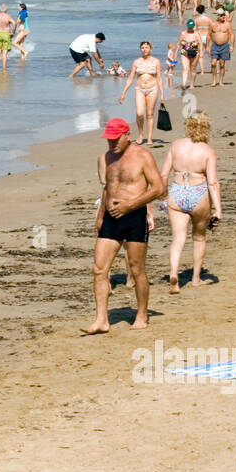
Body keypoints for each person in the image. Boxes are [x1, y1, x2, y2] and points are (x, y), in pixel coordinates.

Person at [82, 118, 165, 334]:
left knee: (137, 270)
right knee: (99, 269)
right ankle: (101, 320)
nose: (112, 143)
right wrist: (99, 216)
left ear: (127, 135)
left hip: (134, 216)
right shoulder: (107, 158)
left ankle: (141, 314)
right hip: (111, 218)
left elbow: (158, 188)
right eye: (109, 140)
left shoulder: (143, 156)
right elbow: (108, 188)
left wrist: (130, 206)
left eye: (116, 139)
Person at [160, 113, 221, 293]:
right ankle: (195, 278)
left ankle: (173, 274)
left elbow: (163, 174)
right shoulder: (208, 151)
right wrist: (218, 209)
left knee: (178, 238)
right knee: (199, 237)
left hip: (177, 191)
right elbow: (212, 183)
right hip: (198, 193)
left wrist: (164, 196)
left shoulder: (175, 146)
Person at [119, 40, 165, 146]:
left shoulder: (156, 61)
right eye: (142, 47)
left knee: (149, 114)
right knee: (140, 113)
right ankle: (140, 134)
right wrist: (123, 93)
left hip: (153, 89)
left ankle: (149, 138)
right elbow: (130, 78)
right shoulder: (136, 62)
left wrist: (162, 94)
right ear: (140, 49)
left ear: (150, 49)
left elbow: (159, 79)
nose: (144, 49)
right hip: (139, 89)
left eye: (146, 47)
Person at [209, 9, 233, 86]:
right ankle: (214, 80)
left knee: (222, 64)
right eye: (222, 15)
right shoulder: (213, 24)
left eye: (224, 15)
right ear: (218, 16)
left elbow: (231, 34)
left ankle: (221, 81)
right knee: (213, 63)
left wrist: (232, 45)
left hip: (224, 46)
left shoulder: (227, 24)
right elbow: (209, 35)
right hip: (215, 46)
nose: (224, 17)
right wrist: (207, 46)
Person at [178, 20, 202, 90]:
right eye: (189, 27)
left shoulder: (196, 34)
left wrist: (201, 53)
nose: (190, 28)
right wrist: (175, 53)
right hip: (185, 51)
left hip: (195, 52)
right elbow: (179, 44)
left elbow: (200, 44)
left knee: (193, 69)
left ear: (193, 26)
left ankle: (192, 84)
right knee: (185, 68)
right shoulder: (183, 33)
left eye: (191, 27)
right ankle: (184, 84)